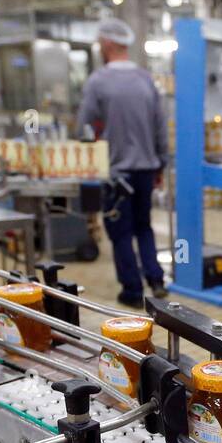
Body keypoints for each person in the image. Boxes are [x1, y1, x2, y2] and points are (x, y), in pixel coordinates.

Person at [77, 18, 169, 307]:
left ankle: (131, 291)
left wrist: (91, 149)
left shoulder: (99, 81)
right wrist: (160, 165)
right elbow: (160, 127)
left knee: (120, 231)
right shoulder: (146, 80)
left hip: (117, 173)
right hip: (146, 170)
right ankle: (156, 279)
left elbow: (84, 128)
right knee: (144, 225)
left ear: (106, 44)